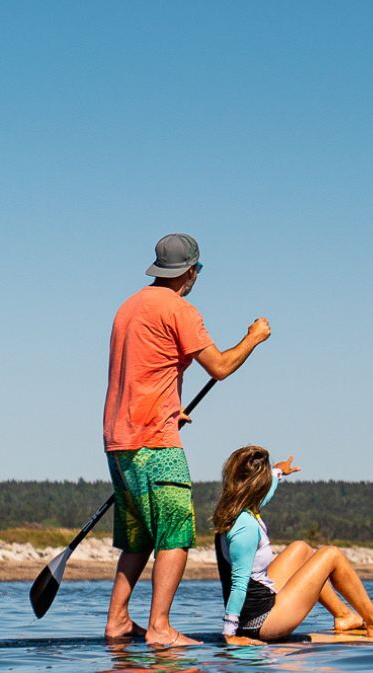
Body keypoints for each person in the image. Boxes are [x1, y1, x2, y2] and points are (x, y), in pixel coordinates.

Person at [103, 233, 271, 645]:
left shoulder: (129, 306)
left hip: (119, 438)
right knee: (175, 532)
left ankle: (118, 620)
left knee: (140, 536)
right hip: (155, 443)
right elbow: (219, 367)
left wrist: (170, 407)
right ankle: (159, 627)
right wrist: (253, 337)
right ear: (191, 271)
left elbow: (144, 367)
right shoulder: (180, 309)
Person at [213, 446, 373, 642]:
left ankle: (344, 616)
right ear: (258, 483)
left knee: (301, 549)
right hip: (259, 623)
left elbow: (264, 495)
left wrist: (278, 472)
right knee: (331, 555)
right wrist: (230, 634)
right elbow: (238, 583)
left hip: (257, 608)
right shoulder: (245, 526)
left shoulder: (236, 510)